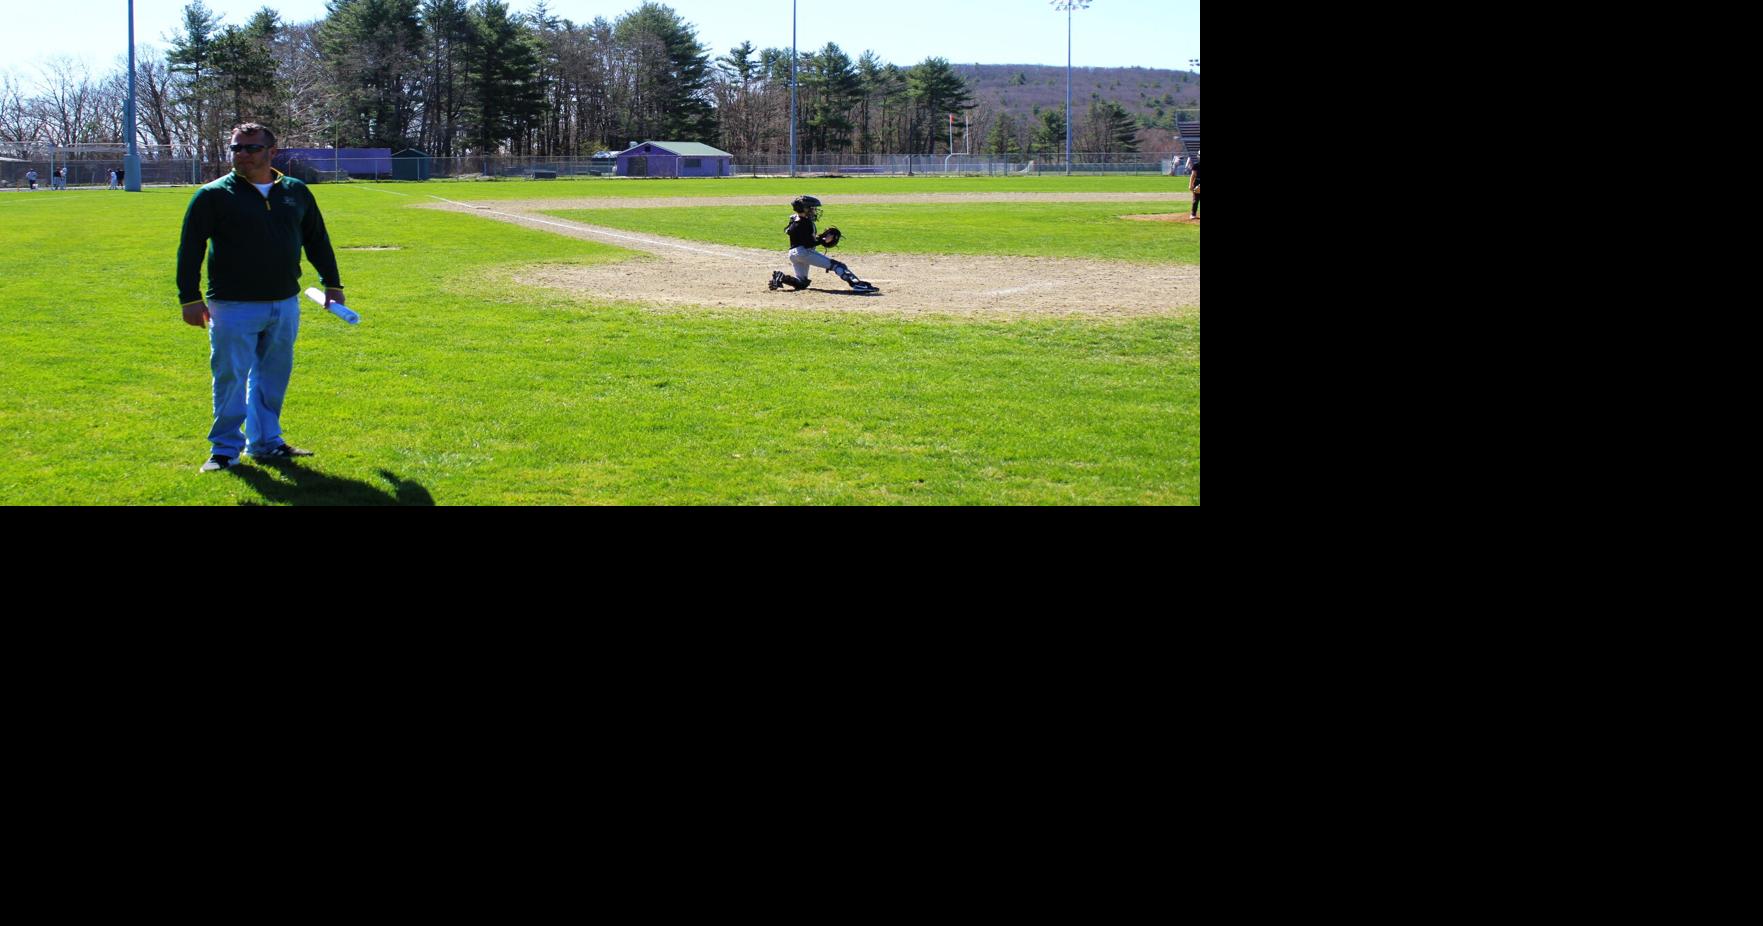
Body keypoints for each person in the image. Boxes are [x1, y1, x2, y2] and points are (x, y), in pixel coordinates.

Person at [177, 122, 347, 473]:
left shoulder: (296, 192)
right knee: (230, 378)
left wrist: (332, 283)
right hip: (232, 305)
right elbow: (190, 248)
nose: (242, 154)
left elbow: (317, 239)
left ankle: (266, 442)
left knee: (272, 377)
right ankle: (224, 450)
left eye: (251, 148)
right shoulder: (213, 195)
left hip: (284, 302)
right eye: (236, 148)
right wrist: (189, 298)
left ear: (272, 151)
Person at [767, 195, 878, 294]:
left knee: (802, 283)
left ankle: (781, 278)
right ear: (804, 209)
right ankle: (857, 285)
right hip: (804, 252)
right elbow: (809, 243)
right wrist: (823, 240)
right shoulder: (805, 223)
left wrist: (819, 238)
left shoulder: (795, 220)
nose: (814, 211)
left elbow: (791, 232)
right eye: (812, 208)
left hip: (793, 254)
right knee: (838, 266)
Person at [1187, 151, 1201, 220]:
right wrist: (1190, 185)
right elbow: (1192, 176)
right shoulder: (1196, 165)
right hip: (1197, 183)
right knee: (1196, 199)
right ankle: (1193, 214)